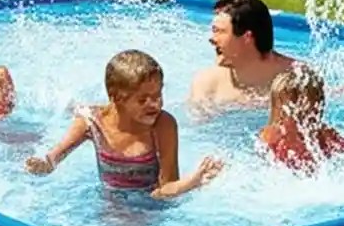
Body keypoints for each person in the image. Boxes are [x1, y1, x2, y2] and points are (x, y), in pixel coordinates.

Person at [25, 50, 223, 199]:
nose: (154, 104)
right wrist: (43, 165)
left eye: (158, 95)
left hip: (152, 205)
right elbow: (54, 159)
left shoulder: (163, 125)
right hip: (110, 201)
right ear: (116, 98)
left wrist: (193, 182)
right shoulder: (91, 121)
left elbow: (164, 190)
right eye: (143, 99)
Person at [188, 0, 298, 113]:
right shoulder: (207, 86)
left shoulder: (298, 80)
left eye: (219, 31)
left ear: (247, 37)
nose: (212, 39)